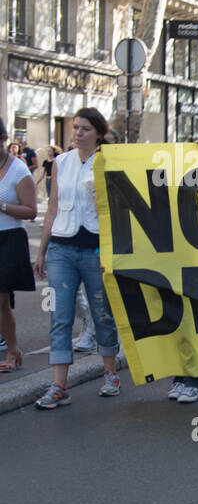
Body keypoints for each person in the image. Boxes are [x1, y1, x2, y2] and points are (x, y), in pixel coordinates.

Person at [32, 108, 121, 409]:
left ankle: (110, 373)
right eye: (75, 128)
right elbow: (53, 206)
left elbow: (118, 208)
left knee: (102, 311)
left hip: (96, 246)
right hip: (62, 247)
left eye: (85, 129)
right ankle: (59, 385)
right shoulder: (61, 162)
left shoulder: (107, 162)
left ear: (98, 133)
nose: (78, 133)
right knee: (60, 315)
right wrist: (42, 250)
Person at [0, 119, 38, 374]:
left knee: (1, 298)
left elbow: (31, 211)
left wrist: (2, 206)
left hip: (9, 239)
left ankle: (13, 350)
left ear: (3, 137)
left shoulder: (18, 170)